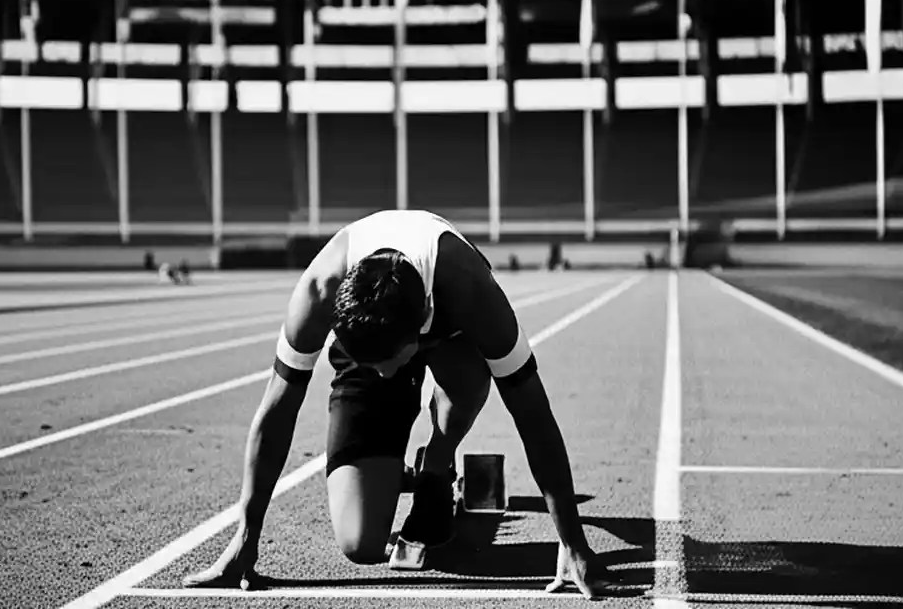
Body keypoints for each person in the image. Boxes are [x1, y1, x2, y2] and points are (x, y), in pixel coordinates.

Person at [182, 209, 612, 598]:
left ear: (420, 320)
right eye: (377, 367)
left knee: (468, 381)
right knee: (360, 543)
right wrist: (245, 536)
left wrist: (573, 543)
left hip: (451, 333)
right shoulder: (319, 291)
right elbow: (276, 411)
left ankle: (437, 461)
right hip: (380, 336)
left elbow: (532, 414)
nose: (387, 376)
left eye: (391, 364)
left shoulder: (470, 290)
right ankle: (397, 472)